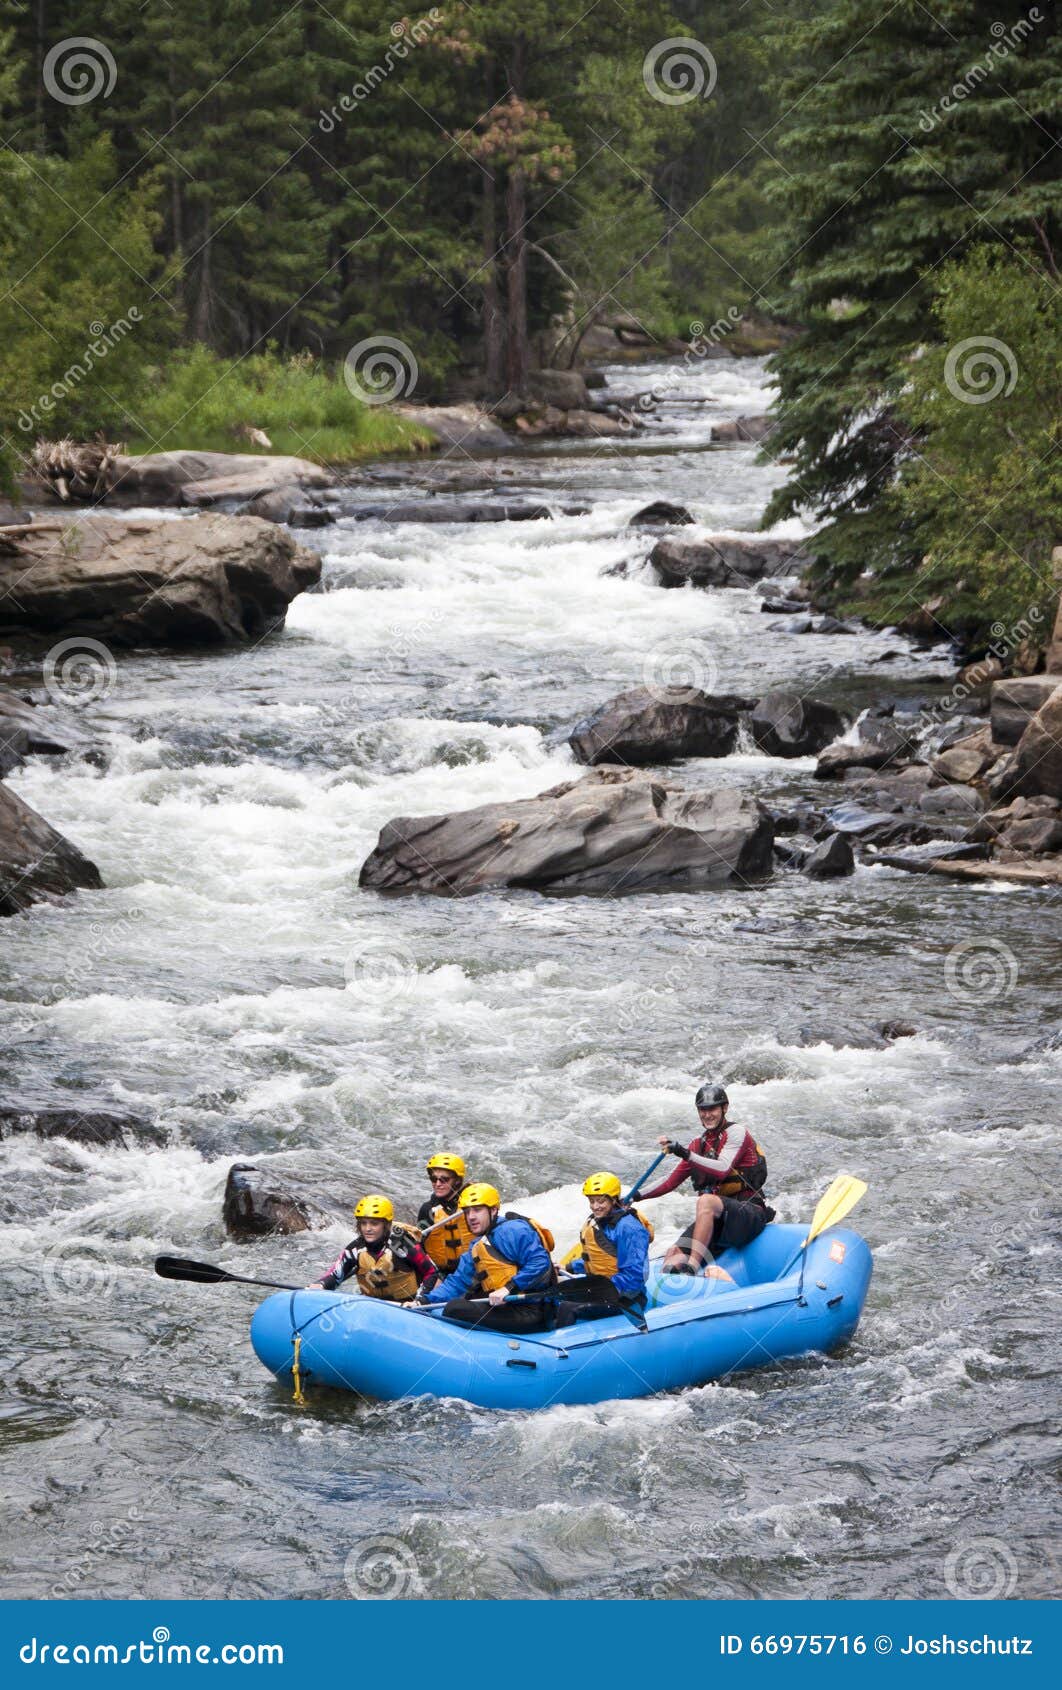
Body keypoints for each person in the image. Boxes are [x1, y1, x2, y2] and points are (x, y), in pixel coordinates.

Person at [640, 1082, 774, 1272]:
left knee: (706, 1201)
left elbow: (722, 1169)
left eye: (712, 1109)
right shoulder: (698, 1145)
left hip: (748, 1213)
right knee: (673, 1253)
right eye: (702, 1110)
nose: (707, 1114)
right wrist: (635, 1196)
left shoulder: (737, 1133)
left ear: (724, 1108)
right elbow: (670, 1181)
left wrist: (685, 1153)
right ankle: (677, 1291)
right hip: (720, 1219)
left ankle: (692, 1267)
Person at [413, 1183, 557, 1332]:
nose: (471, 1217)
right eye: (467, 1212)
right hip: (508, 1307)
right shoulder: (477, 1245)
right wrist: (423, 1301)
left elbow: (540, 1262)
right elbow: (457, 1282)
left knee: (455, 1309)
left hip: (532, 1310)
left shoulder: (514, 1230)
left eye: (477, 1210)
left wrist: (509, 1288)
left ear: (493, 1210)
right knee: (461, 1301)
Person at [309, 1195, 434, 1301]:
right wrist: (321, 1285)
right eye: (363, 1223)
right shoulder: (355, 1250)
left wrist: (420, 1299)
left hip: (407, 1306)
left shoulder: (404, 1246)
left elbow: (431, 1273)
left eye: (374, 1223)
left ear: (385, 1225)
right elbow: (335, 1275)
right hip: (372, 1306)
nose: (367, 1229)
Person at [562, 1172, 652, 1316]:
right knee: (556, 1297)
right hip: (601, 1287)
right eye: (592, 1201)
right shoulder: (601, 1221)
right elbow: (598, 1258)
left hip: (626, 1297)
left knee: (567, 1308)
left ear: (613, 1200)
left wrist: (604, 1289)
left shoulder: (628, 1228)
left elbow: (634, 1276)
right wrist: (568, 1267)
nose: (595, 1206)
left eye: (600, 1201)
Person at [417, 1152, 473, 1276]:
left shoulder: (473, 1204)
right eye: (433, 1179)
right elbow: (418, 1248)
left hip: (475, 1270)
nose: (437, 1184)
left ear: (458, 1181)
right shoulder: (427, 1210)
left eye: (444, 1179)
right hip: (444, 1274)